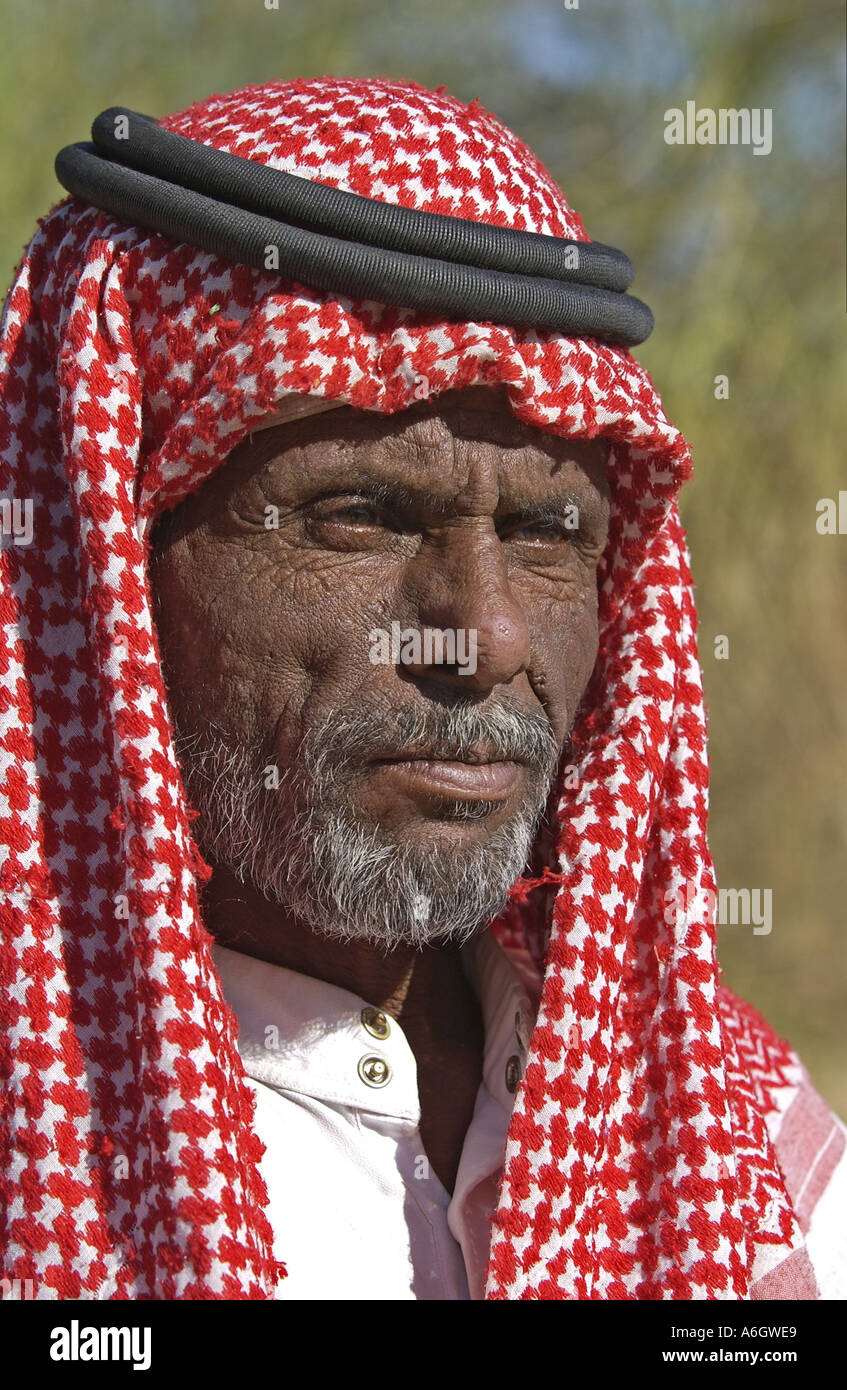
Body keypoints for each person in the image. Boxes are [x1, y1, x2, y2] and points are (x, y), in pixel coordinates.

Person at [1, 75, 844, 1301]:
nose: (488, 636)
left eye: (551, 531)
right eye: (359, 516)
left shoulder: (739, 1139)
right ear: (112, 562)